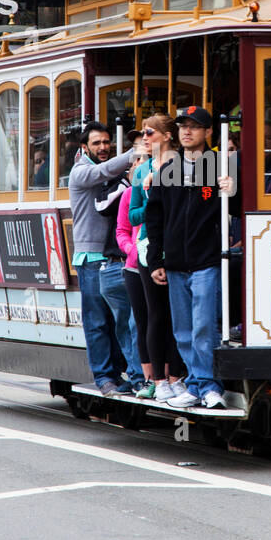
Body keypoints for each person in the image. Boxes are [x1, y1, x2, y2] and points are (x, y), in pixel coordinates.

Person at [144, 106, 236, 409]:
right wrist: (155, 261)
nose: (187, 131)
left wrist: (233, 190)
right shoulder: (168, 170)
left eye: (195, 126)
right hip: (174, 264)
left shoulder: (218, 165)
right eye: (183, 126)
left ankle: (208, 385)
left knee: (204, 326)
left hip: (206, 261)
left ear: (208, 132)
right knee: (182, 331)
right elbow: (154, 218)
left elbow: (241, 207)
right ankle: (197, 384)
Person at [69, 120, 144, 396]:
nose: (102, 147)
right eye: (96, 143)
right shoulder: (80, 171)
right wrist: (134, 153)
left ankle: (123, 374)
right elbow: (101, 171)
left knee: (120, 321)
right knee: (97, 321)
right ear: (84, 147)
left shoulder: (113, 172)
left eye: (106, 142)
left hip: (115, 257)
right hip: (90, 258)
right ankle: (104, 378)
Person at [129, 115, 188, 400]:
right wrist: (151, 194)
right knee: (156, 315)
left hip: (179, 245)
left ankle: (178, 376)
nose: (145, 137)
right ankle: (159, 380)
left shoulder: (185, 165)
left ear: (166, 135)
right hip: (149, 247)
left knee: (180, 314)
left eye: (149, 132)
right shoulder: (141, 172)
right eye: (143, 133)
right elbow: (132, 215)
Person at [117, 141, 155, 396]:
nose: (140, 165)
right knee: (140, 323)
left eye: (145, 160)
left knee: (160, 320)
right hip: (134, 266)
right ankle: (145, 378)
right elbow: (121, 231)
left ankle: (165, 378)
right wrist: (132, 250)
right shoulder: (129, 195)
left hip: (160, 263)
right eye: (137, 161)